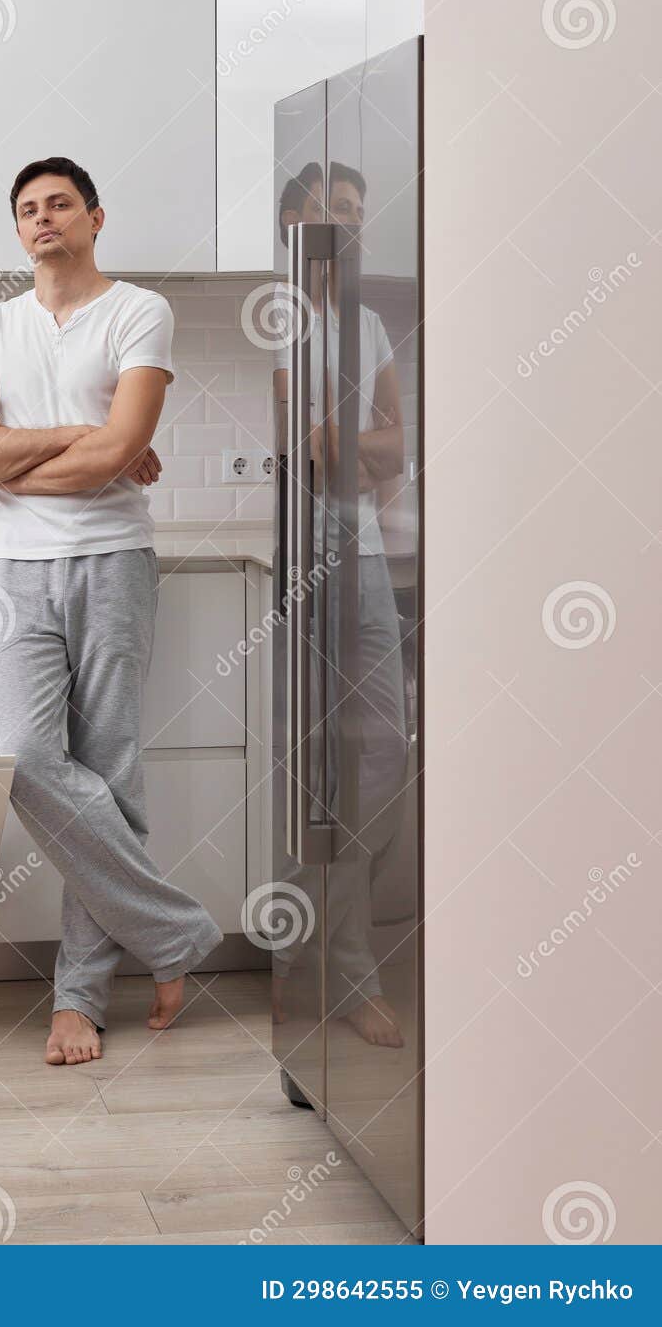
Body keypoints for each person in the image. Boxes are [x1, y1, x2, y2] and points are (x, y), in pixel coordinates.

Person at [0, 157, 222, 1067]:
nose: (42, 217)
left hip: (110, 562)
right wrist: (80, 437)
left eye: (59, 203)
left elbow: (118, 455)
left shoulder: (138, 311)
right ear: (17, 230)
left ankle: (79, 999)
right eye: (26, 208)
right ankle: (176, 934)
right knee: (27, 760)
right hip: (16, 566)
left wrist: (12, 453)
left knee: (109, 769)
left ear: (94, 217)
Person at [272, 160, 410, 1048]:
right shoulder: (278, 321)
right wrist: (342, 443)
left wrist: (341, 439)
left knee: (378, 751)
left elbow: (391, 449)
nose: (351, 225)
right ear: (296, 220)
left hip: (356, 551)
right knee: (304, 766)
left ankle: (345, 961)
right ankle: (309, 963)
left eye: (360, 211)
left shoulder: (365, 325)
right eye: (336, 211)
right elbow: (301, 446)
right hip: (296, 554)